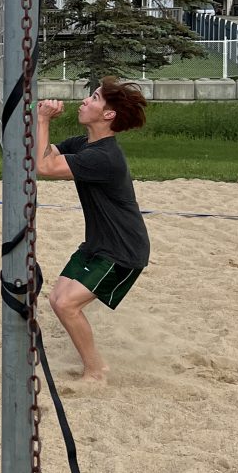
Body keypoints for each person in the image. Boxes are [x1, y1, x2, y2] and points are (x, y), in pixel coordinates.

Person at [36, 78, 150, 383]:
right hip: (98, 243)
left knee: (66, 304)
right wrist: (36, 119)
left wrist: (44, 119)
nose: (85, 101)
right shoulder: (85, 144)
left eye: (95, 98)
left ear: (108, 114)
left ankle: (96, 369)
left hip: (123, 250)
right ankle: (94, 364)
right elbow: (45, 153)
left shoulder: (104, 158)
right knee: (58, 298)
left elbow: (44, 168)